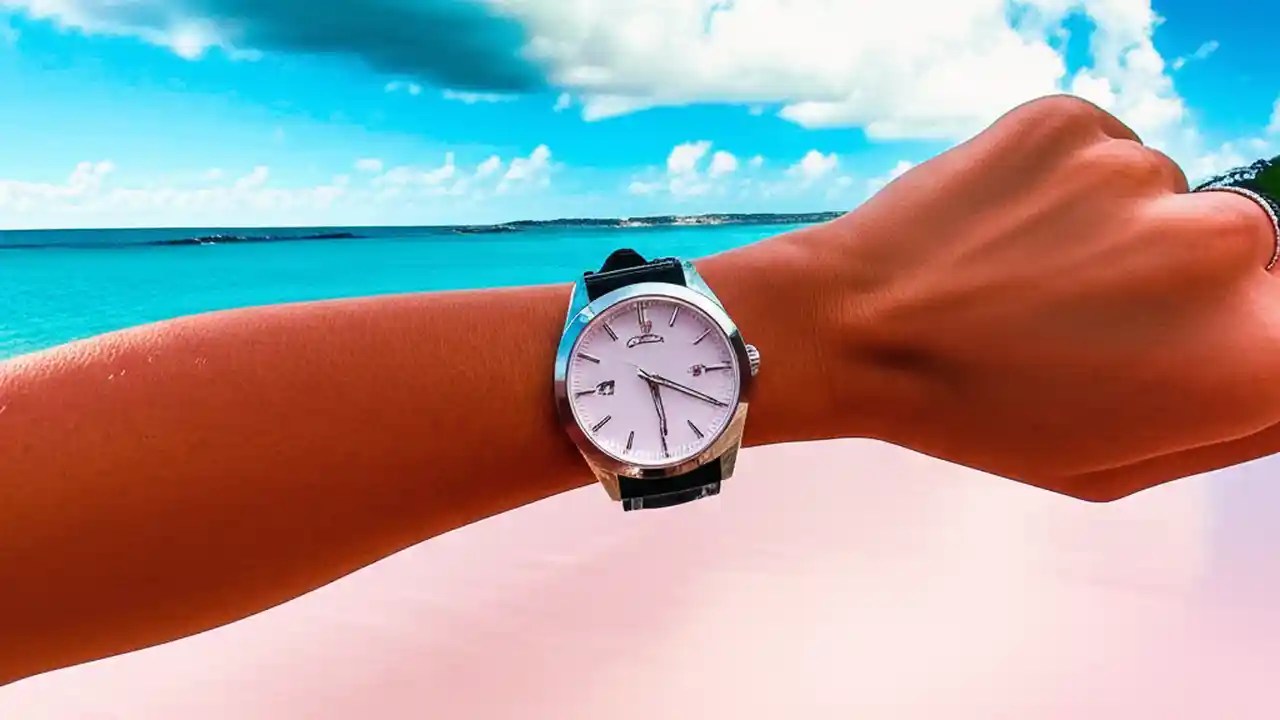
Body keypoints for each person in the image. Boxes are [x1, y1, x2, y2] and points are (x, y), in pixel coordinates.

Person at [2, 94, 1279, 686]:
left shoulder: (685, 360)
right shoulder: (656, 371)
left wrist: (833, 313)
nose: (651, 372)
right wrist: (848, 314)